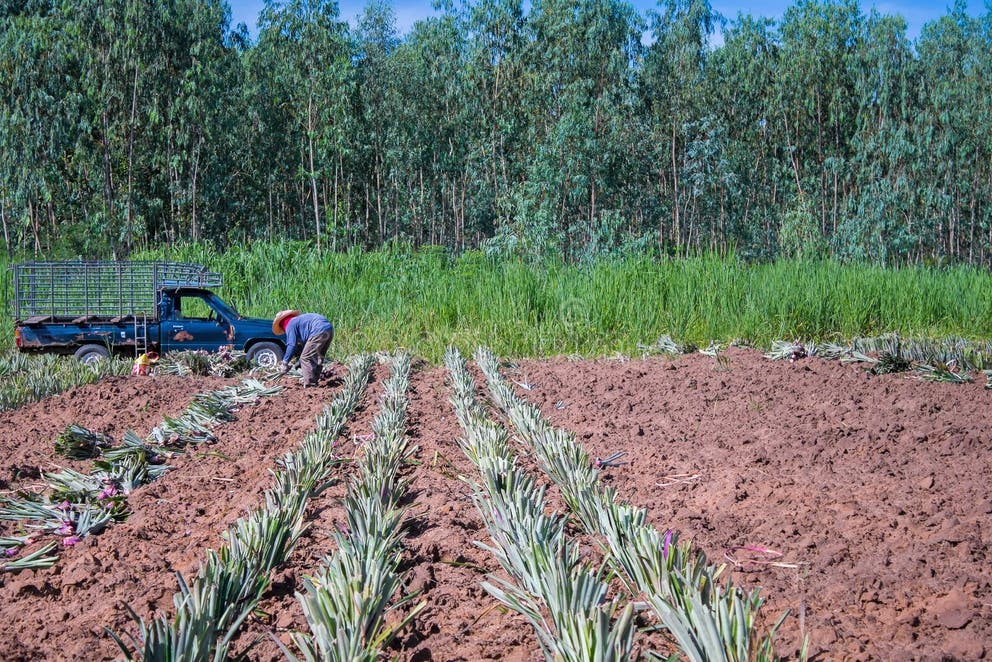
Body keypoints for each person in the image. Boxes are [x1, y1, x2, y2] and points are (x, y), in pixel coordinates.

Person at [272, 310, 334, 387]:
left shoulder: (290, 324)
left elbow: (291, 345)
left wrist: (285, 362)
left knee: (305, 358)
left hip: (317, 330)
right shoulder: (299, 322)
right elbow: (306, 347)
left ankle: (310, 385)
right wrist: (299, 362)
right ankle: (314, 381)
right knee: (318, 357)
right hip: (329, 329)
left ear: (282, 324)